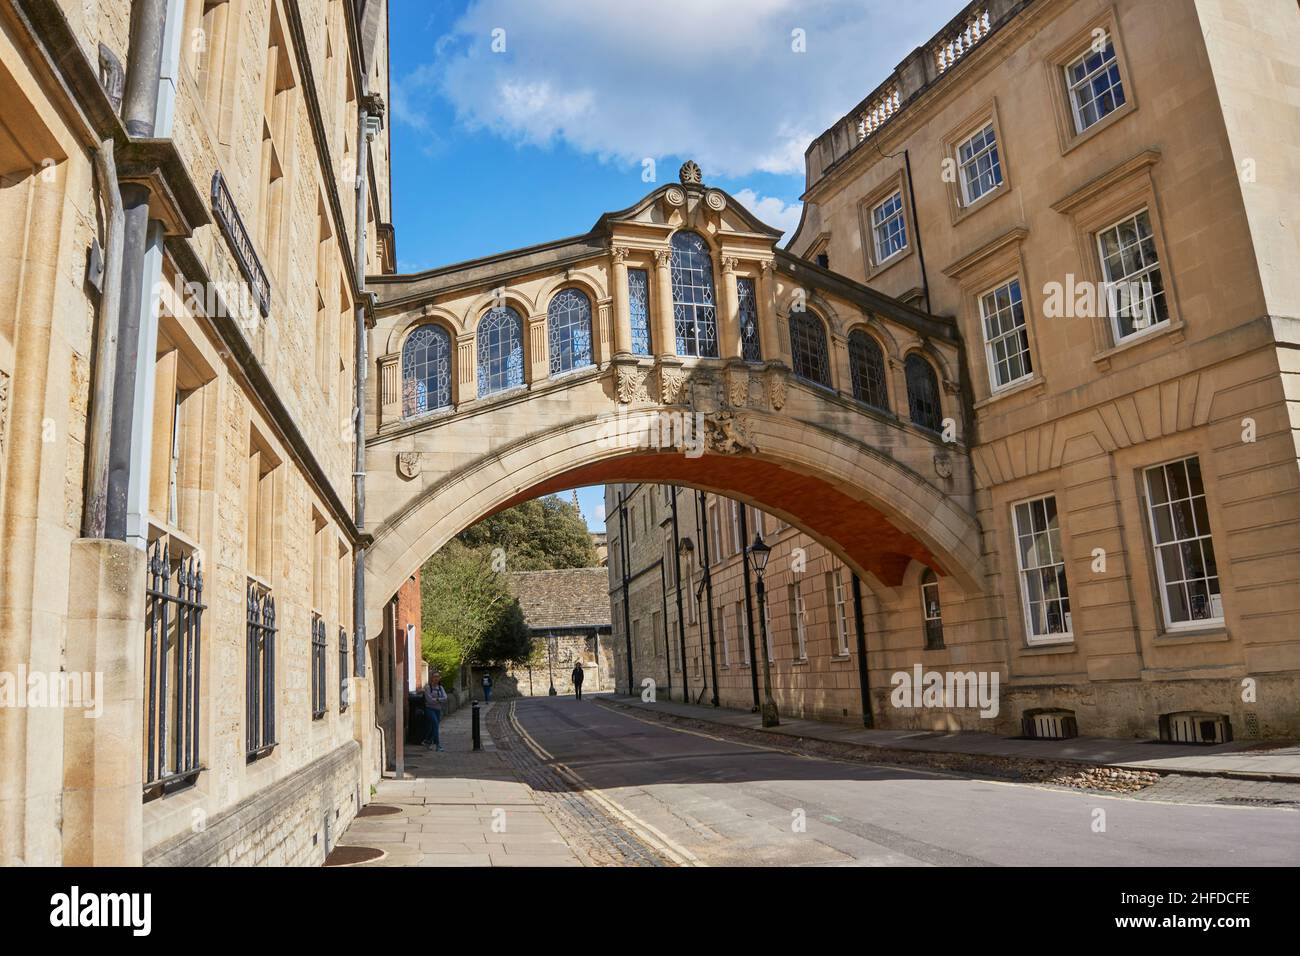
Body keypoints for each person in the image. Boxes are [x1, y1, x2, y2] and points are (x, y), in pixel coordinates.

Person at [422, 671, 447, 751]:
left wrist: (436, 699)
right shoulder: (428, 687)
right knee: (435, 724)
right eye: (435, 676)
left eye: (438, 677)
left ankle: (427, 741)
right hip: (429, 709)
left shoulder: (440, 687)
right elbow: (429, 700)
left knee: (433, 727)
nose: (436, 678)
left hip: (438, 710)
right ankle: (438, 745)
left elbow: (445, 698)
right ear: (431, 678)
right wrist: (439, 700)